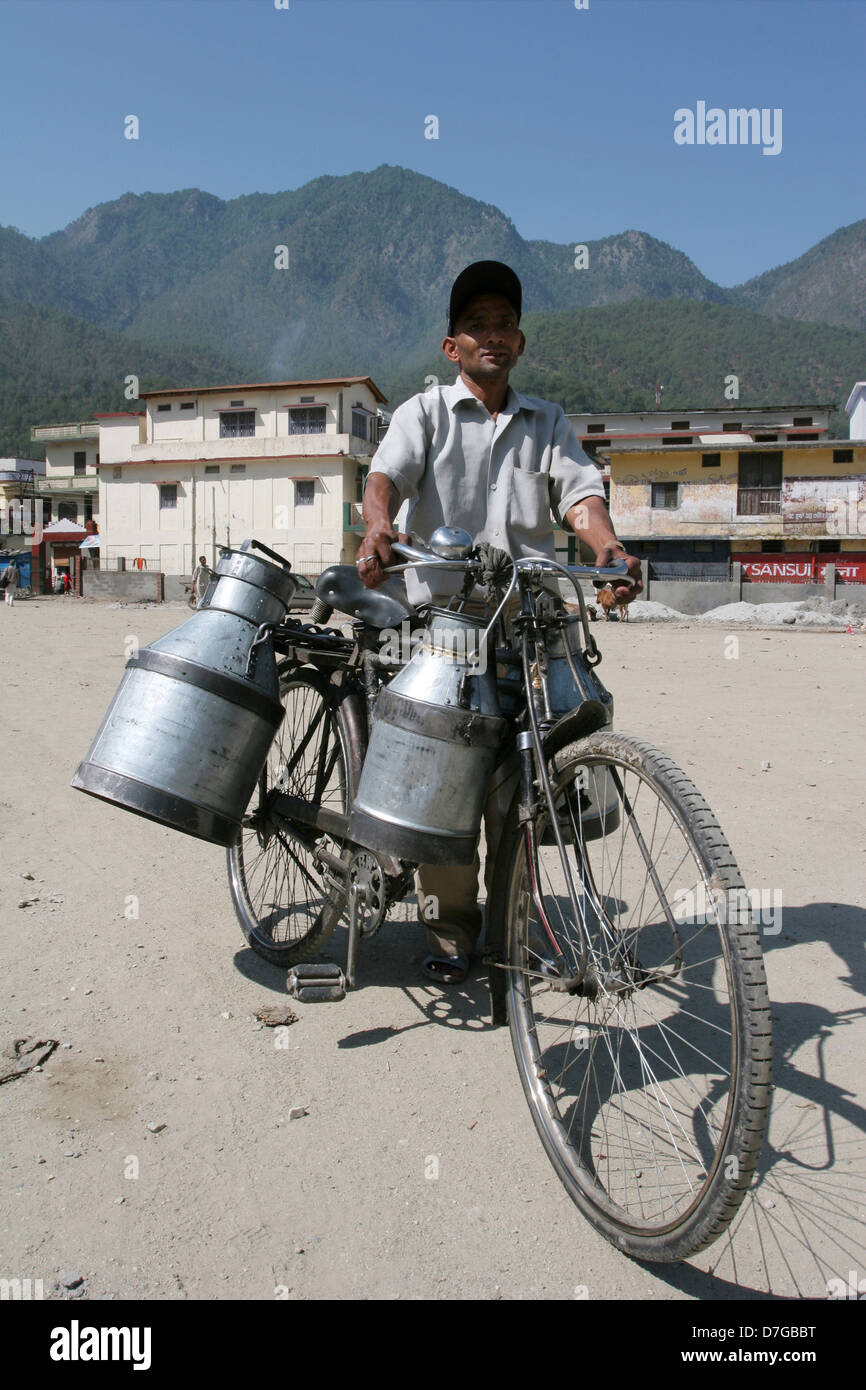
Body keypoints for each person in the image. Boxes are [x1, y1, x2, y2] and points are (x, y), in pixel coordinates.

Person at [357, 260, 642, 984]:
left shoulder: (546, 420)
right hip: (447, 628)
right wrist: (378, 528)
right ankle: (454, 935)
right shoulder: (422, 414)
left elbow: (580, 494)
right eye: (475, 326)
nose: (492, 336)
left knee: (526, 788)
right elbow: (385, 476)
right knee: (446, 787)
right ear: (450, 347)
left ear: (520, 340)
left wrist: (606, 547)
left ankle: (513, 928)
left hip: (531, 628)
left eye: (503, 325)